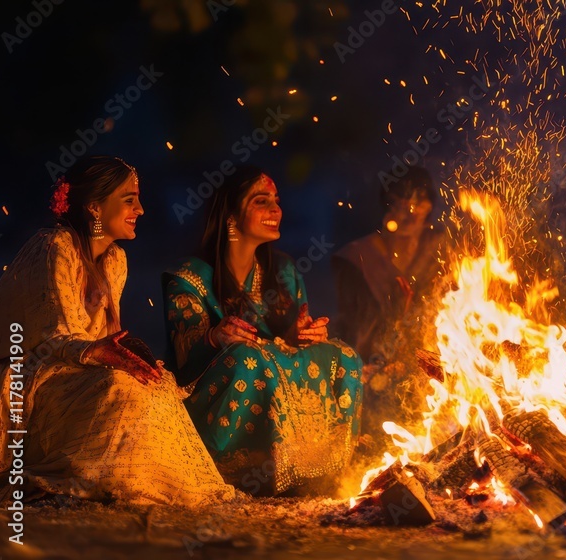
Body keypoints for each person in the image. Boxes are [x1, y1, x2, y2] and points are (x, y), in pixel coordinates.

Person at [0, 156, 234, 506]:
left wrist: (130, 356)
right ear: (94, 207)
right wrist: (100, 354)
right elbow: (53, 335)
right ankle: (86, 475)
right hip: (32, 373)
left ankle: (139, 482)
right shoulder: (54, 246)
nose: (141, 209)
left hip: (78, 369)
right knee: (121, 385)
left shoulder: (115, 259)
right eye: (129, 199)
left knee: (152, 383)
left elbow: (108, 334)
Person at [163, 167, 363, 496]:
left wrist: (303, 335)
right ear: (230, 216)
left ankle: (323, 472)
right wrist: (215, 337)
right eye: (261, 201)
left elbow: (288, 341)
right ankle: (241, 467)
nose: (275, 210)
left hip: (275, 363)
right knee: (249, 360)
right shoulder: (189, 278)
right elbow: (183, 361)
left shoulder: (283, 271)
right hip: (215, 389)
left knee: (344, 357)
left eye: (276, 201)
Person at [332, 166, 447, 455]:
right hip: (374, 363)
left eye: (417, 201)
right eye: (399, 201)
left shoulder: (443, 253)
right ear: (387, 206)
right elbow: (356, 334)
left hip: (433, 358)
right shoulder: (359, 258)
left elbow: (450, 320)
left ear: (430, 206)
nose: (408, 211)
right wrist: (395, 316)